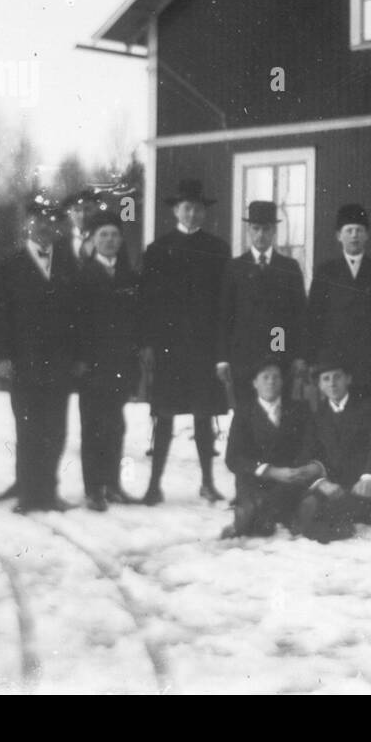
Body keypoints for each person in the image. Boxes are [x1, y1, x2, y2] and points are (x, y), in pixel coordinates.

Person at [140, 179, 230, 505]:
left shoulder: (218, 250)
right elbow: (147, 302)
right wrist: (149, 344)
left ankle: (207, 482)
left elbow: (224, 304)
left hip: (204, 348)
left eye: (198, 209)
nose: (192, 214)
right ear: (176, 210)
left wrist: (221, 350)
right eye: (187, 208)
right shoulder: (157, 250)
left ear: (204, 213)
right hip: (169, 348)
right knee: (163, 417)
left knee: (203, 416)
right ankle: (154, 485)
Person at [0, 198, 79, 514]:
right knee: (28, 430)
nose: (44, 224)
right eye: (38, 218)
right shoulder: (9, 265)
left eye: (50, 219)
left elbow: (79, 315)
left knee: (55, 430)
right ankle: (28, 495)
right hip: (23, 363)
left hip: (59, 363)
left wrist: (78, 356)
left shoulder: (69, 264)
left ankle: (50, 492)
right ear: (27, 223)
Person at [73, 210, 142, 511]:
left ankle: (113, 485)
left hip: (121, 364)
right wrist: (79, 359)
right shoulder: (82, 276)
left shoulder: (130, 277)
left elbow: (138, 320)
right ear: (92, 240)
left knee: (115, 425)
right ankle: (93, 489)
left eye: (114, 235)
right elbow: (75, 322)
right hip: (92, 365)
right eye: (103, 235)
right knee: (93, 427)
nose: (110, 240)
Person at [222, 358, 331, 539]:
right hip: (256, 479)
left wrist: (298, 469)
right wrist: (270, 471)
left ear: (282, 382)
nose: (271, 381)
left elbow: (309, 444)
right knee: (254, 510)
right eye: (265, 377)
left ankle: (289, 514)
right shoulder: (244, 412)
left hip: (291, 477)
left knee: (302, 499)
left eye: (276, 377)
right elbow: (233, 458)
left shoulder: (299, 409)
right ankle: (260, 514)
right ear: (255, 383)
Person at [218, 200, 308, 410]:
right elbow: (224, 316)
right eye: (256, 228)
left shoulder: (289, 267)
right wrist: (222, 358)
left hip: (279, 351)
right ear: (249, 230)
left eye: (266, 229)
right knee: (246, 413)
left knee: (278, 412)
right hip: (244, 357)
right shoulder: (235, 267)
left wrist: (300, 356)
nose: (260, 235)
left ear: (274, 231)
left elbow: (300, 315)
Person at [303, 204, 371, 399]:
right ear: (339, 236)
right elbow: (314, 316)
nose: (354, 236)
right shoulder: (326, 272)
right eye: (349, 231)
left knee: (366, 408)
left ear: (367, 235)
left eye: (359, 230)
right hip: (333, 361)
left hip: (368, 361)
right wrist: (313, 358)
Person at [311, 357, 371, 525]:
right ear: (320, 385)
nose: (332, 383)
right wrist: (322, 482)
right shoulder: (318, 414)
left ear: (348, 379)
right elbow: (313, 452)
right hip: (337, 487)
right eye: (326, 379)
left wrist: (369, 476)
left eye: (337, 377)